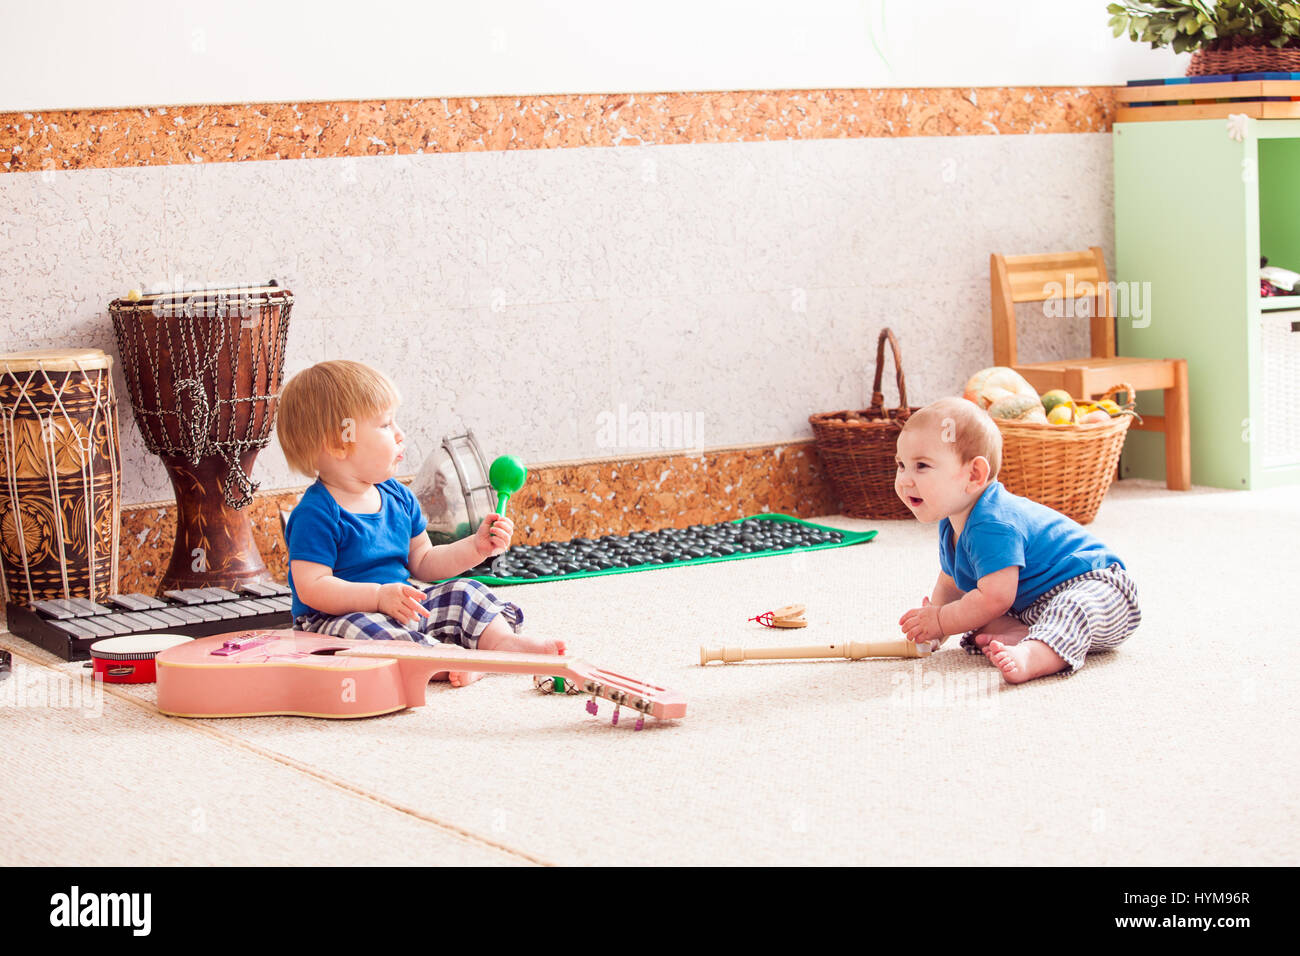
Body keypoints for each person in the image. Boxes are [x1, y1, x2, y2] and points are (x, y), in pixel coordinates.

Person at [276, 360, 563, 686]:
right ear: (339, 443)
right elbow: (312, 588)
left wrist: (475, 547)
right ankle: (447, 660)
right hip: (334, 622)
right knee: (365, 634)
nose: (400, 434)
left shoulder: (398, 497)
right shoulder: (316, 513)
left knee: (465, 591)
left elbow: (425, 562)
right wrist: (378, 597)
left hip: (401, 605)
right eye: (385, 425)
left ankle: (500, 643)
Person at [894, 397, 1139, 683]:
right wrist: (936, 626)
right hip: (1034, 605)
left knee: (1058, 607)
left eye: (921, 465)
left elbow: (996, 597)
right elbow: (952, 583)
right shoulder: (952, 521)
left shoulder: (994, 522)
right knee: (975, 615)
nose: (905, 480)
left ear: (974, 474)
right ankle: (1021, 633)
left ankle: (1034, 655)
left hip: (1100, 589)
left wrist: (941, 619)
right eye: (901, 465)